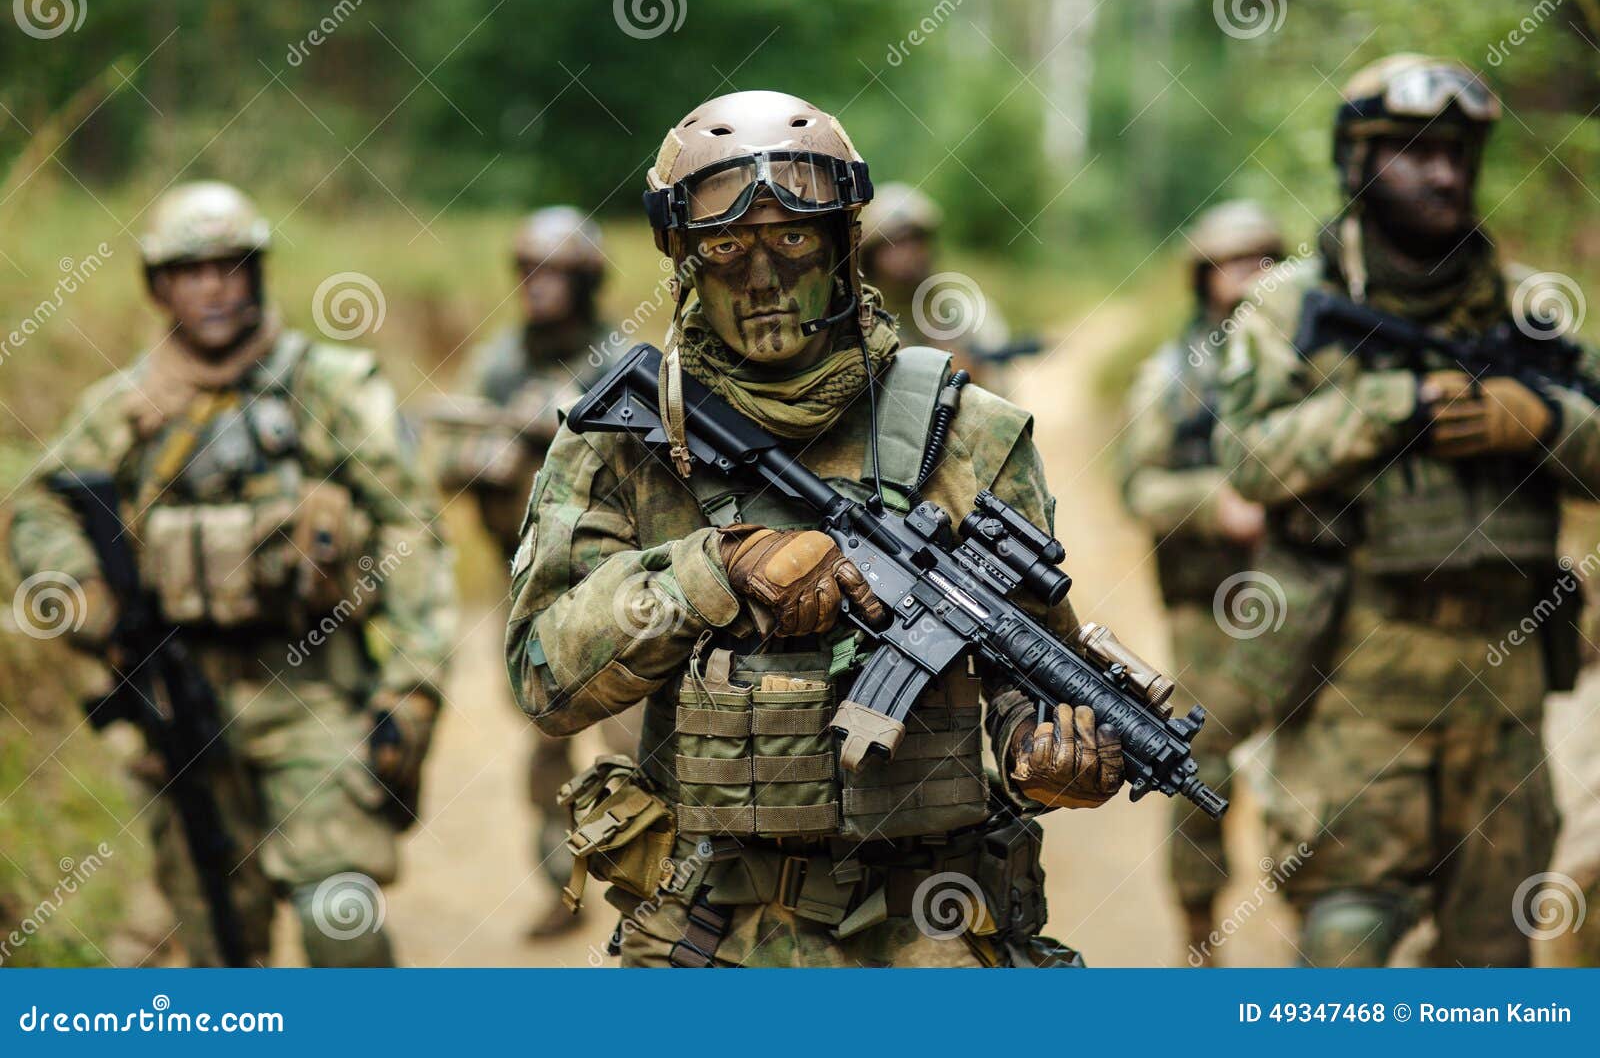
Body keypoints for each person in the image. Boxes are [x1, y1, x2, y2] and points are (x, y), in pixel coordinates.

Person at [505, 90, 1126, 967]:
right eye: (725, 246)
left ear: (843, 245)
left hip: (931, 925)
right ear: (682, 259)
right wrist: (710, 572)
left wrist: (1043, 752)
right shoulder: (623, 437)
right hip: (709, 930)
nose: (760, 278)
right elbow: (543, 677)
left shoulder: (972, 432)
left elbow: (1024, 661)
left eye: (791, 238)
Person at [1214, 55, 1600, 965]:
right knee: (1346, 946)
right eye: (1415, 152)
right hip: (1360, 683)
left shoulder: (1528, 307)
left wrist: (1541, 420)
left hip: (1504, 692)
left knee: (1492, 968)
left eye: (1460, 153)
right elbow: (1250, 459)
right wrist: (1395, 407)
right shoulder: (1288, 306)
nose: (1445, 173)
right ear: (1358, 163)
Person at [10, 181, 455, 966]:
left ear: (256, 273)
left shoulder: (328, 386)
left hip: (312, 688)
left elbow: (409, 531)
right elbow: (36, 511)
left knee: (337, 908)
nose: (213, 286)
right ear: (159, 286)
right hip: (179, 700)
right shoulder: (124, 408)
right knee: (221, 940)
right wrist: (89, 596)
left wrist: (413, 685)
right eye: (190, 270)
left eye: (229, 265)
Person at [427, 205, 631, 938]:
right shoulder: (502, 359)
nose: (541, 288)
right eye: (530, 273)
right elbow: (453, 456)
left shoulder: (617, 355)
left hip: (614, 588)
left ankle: (671, 892)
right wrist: (483, 458)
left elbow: (659, 454)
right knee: (547, 744)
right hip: (532, 592)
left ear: (587, 280)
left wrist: (566, 425)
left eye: (559, 274)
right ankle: (562, 880)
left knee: (638, 745)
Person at [1119, 199, 1283, 962]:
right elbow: (1136, 487)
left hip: (1308, 595)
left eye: (1268, 260)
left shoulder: (1308, 362)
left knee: (1314, 770)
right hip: (1211, 601)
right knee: (1199, 765)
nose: (1253, 276)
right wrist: (1215, 506)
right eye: (1237, 262)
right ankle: (1198, 927)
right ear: (1204, 277)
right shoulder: (1170, 376)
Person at [858, 182, 1016, 387]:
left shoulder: (968, 314)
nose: (908, 254)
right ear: (869, 257)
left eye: (916, 241)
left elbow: (1002, 395)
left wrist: (970, 378)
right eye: (893, 244)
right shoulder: (858, 321)